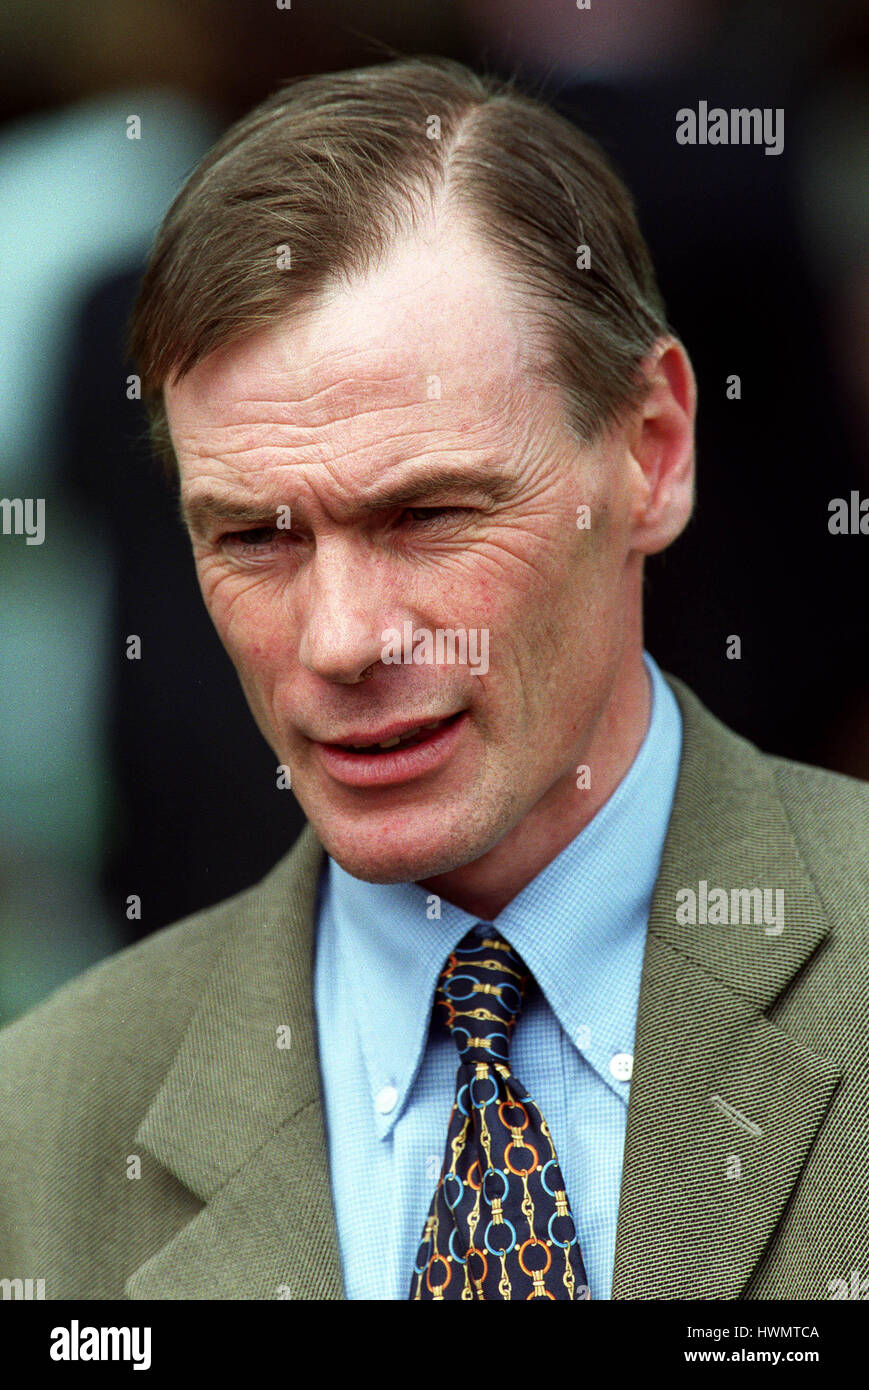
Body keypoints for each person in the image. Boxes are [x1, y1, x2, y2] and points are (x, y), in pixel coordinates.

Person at [0, 56, 866, 1302]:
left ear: (652, 455)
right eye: (254, 536)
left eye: (427, 514)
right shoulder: (46, 1136)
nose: (342, 639)